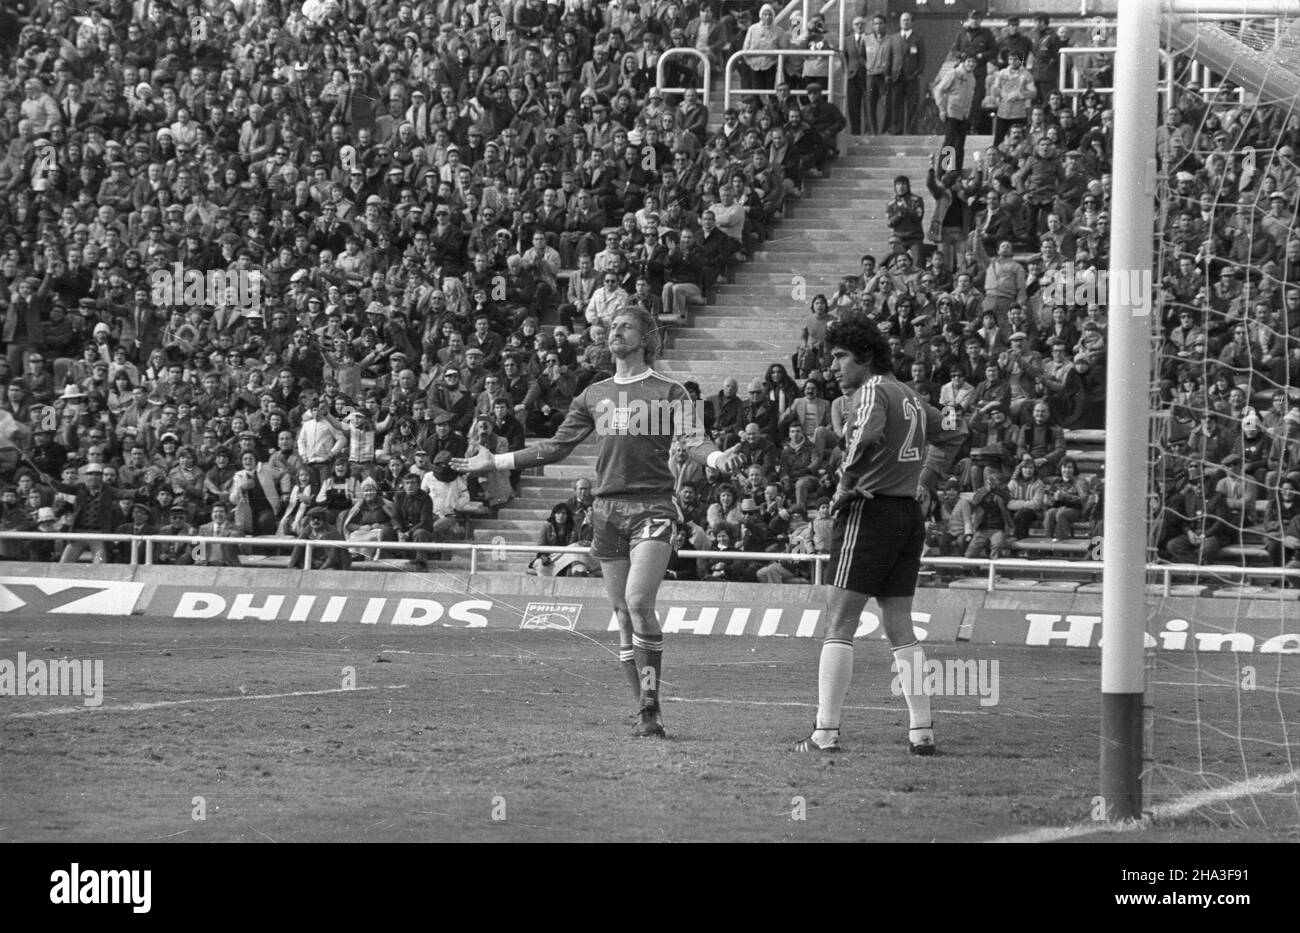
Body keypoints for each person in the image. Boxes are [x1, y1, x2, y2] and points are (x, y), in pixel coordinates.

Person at [454, 306, 744, 738]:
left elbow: (694, 440)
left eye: (625, 326)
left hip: (653, 507)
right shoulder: (594, 394)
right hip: (606, 511)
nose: (616, 332)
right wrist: (495, 460)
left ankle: (649, 704)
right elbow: (555, 448)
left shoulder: (669, 391)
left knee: (640, 602)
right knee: (623, 615)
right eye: (612, 326)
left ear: (646, 337)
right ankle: (649, 711)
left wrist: (719, 458)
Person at [796, 315, 964, 755]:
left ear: (865, 356)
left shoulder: (872, 390)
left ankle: (825, 733)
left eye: (839, 357)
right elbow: (956, 428)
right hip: (907, 515)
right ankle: (921, 730)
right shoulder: (913, 397)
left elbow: (865, 435)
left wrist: (843, 486)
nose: (833, 367)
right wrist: (926, 477)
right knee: (899, 625)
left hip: (869, 512)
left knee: (839, 620)